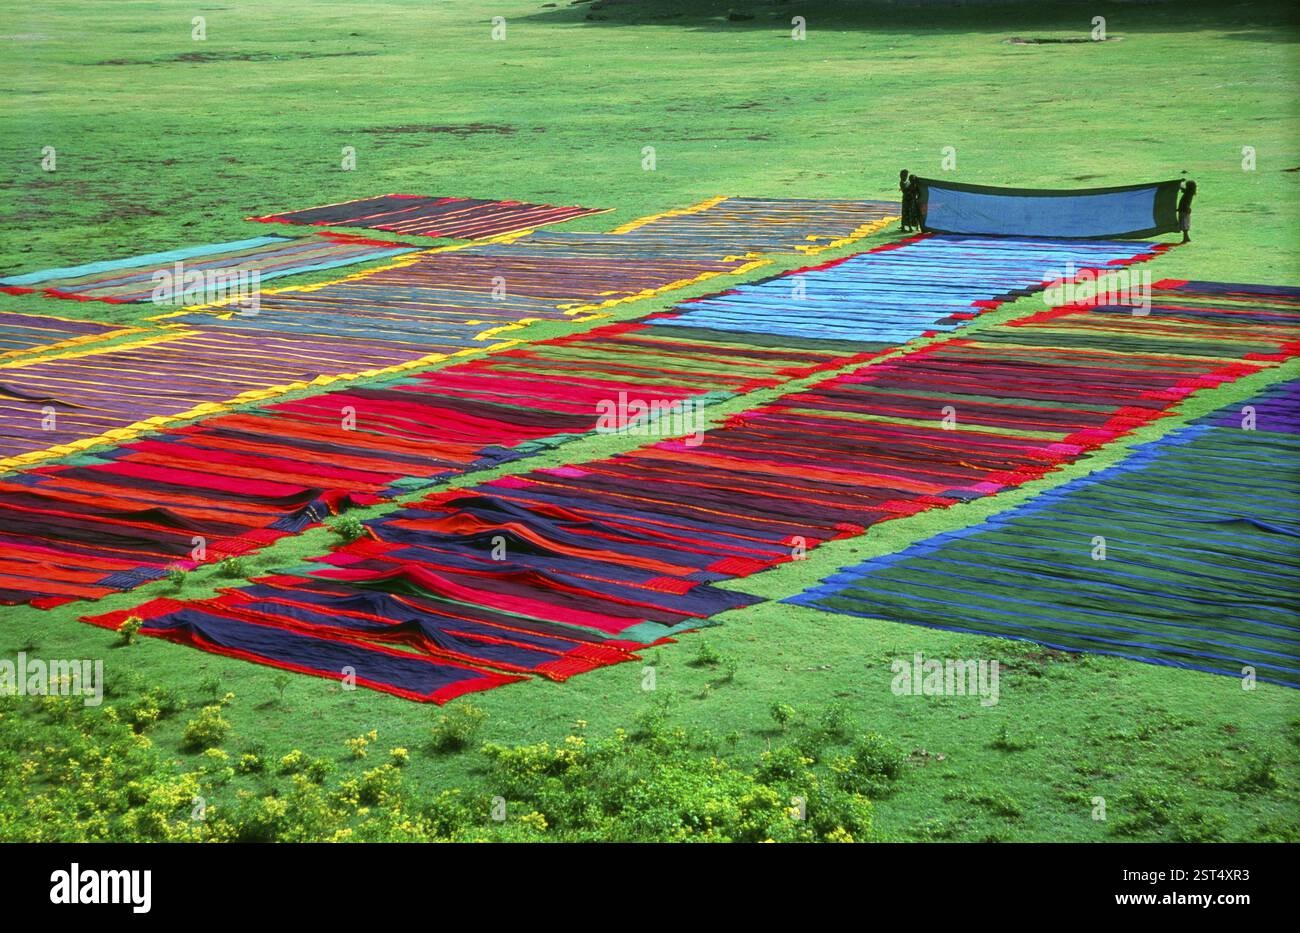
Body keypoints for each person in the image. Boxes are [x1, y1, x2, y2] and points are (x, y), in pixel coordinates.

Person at [1178, 179, 1196, 244]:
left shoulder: (1188, 192)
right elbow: (1182, 188)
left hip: (1184, 210)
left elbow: (1181, 187)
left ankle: (1185, 238)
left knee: (1184, 225)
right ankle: (1187, 238)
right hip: (1185, 210)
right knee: (1185, 224)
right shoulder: (1189, 192)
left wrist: (1179, 182)